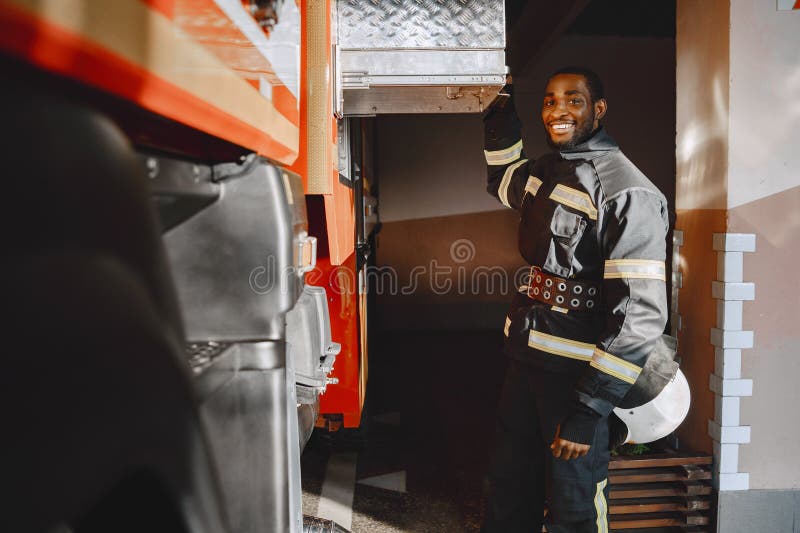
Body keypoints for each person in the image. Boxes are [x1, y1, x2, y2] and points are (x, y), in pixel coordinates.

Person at [480, 67, 669, 532]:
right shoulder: (549, 170)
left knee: (574, 506)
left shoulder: (628, 192)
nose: (558, 110)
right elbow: (504, 179)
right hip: (526, 361)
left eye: (573, 100)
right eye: (550, 101)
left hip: (576, 381)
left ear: (598, 110)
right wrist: (499, 111)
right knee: (509, 490)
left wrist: (589, 411)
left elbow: (639, 317)